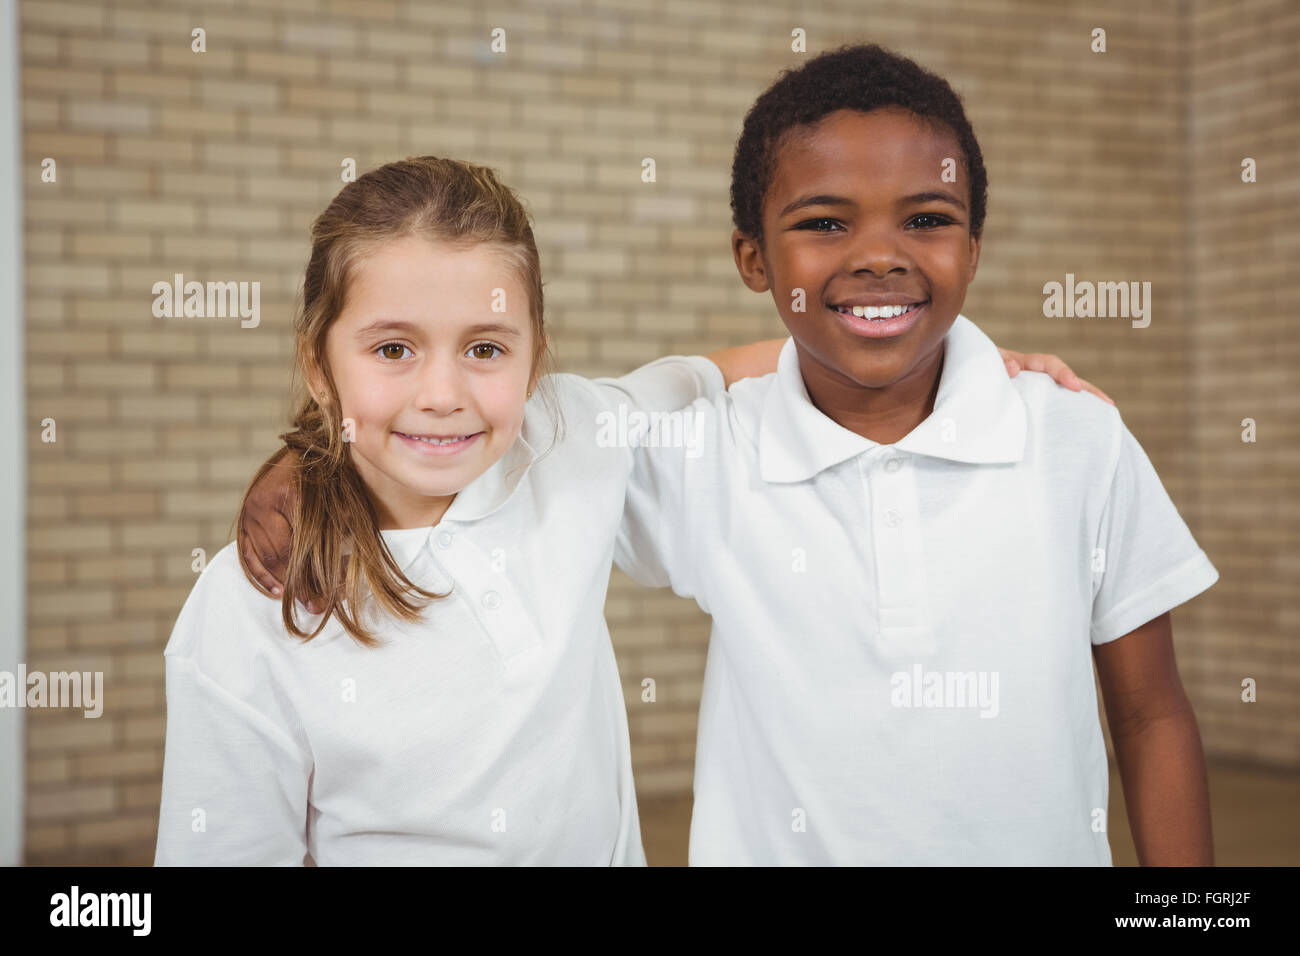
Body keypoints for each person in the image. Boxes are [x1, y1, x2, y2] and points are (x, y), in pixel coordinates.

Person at [222, 149, 1102, 864]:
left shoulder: (570, 435)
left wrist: (934, 350)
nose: (443, 392)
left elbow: (707, 372)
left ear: (536, 363)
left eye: (485, 347)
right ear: (317, 363)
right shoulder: (249, 599)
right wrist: (305, 461)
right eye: (393, 348)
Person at [613, 43, 1217, 864]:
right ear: (753, 258)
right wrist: (719, 370)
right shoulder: (712, 452)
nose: (879, 256)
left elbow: (1151, 715)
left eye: (927, 220)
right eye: (825, 223)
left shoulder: (1076, 439)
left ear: (972, 248)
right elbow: (558, 428)